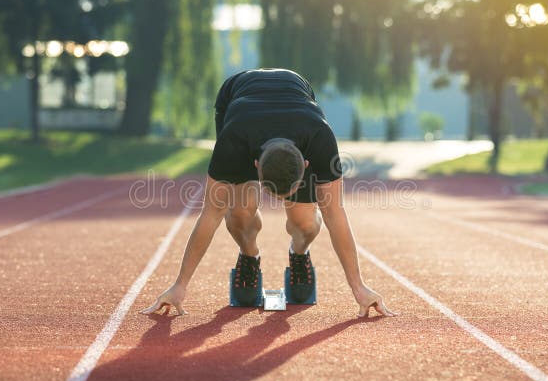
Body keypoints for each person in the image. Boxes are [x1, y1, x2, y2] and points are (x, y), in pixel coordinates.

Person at [142, 68, 395, 317]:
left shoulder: (319, 137)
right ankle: (249, 254)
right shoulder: (234, 140)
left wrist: (358, 287)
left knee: (304, 221)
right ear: (255, 166)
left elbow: (334, 213)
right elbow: (211, 213)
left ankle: (299, 253)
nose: (281, 201)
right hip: (237, 102)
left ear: (306, 165)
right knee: (240, 212)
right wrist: (180, 285)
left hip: (296, 94)